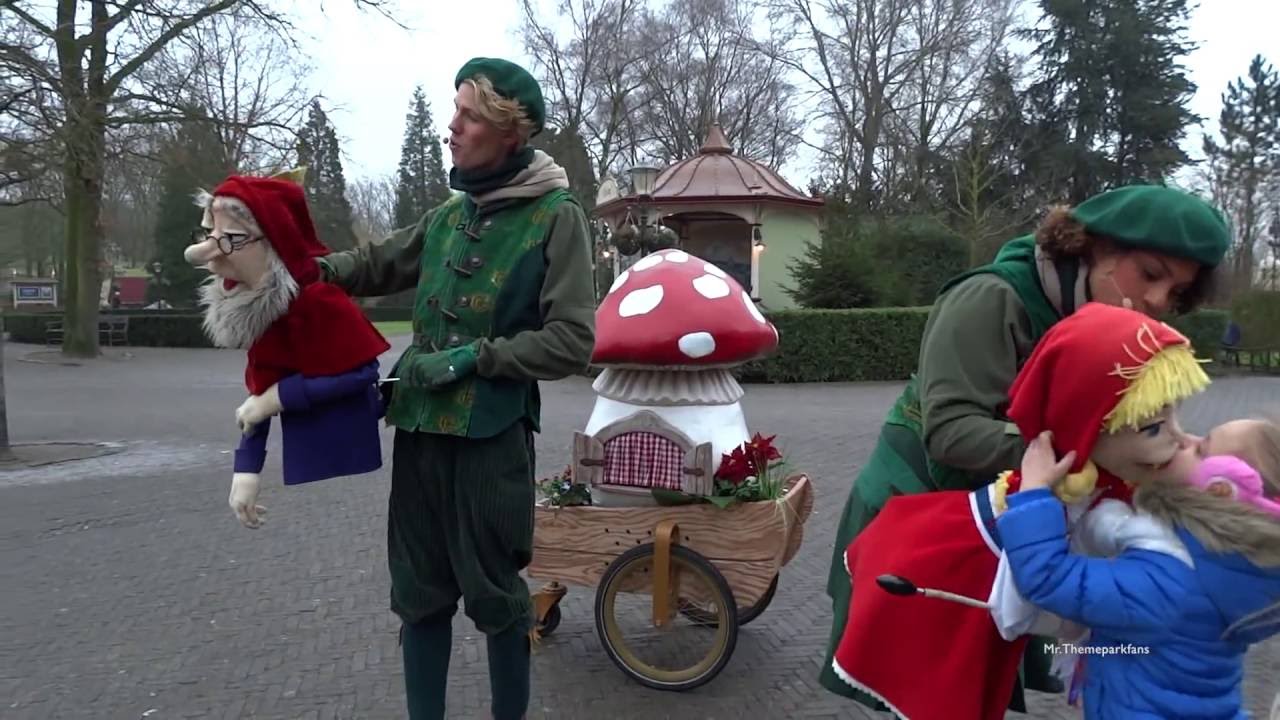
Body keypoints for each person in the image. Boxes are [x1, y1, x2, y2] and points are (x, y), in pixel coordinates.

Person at [819, 183, 1232, 711]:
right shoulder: (989, 297)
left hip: (999, 526)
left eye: (1175, 292)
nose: (1157, 301)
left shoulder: (1104, 320)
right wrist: (1085, 455)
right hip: (919, 515)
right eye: (1150, 274)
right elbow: (950, 431)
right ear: (1093, 248)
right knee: (920, 693)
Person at [316, 57, 596, 720]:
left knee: (498, 598)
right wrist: (301, 271)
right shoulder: (448, 216)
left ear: (508, 130)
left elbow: (572, 341)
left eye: (468, 116)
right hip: (418, 434)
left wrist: (477, 356)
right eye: (455, 112)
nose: (452, 127)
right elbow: (374, 263)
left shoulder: (556, 216)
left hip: (490, 442)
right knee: (418, 596)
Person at [1001, 418, 1280, 718]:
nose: (1185, 439)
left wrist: (1034, 494)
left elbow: (1049, 577)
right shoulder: (1237, 567)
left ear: (1219, 489)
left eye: (1201, 449)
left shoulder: (1169, 582)